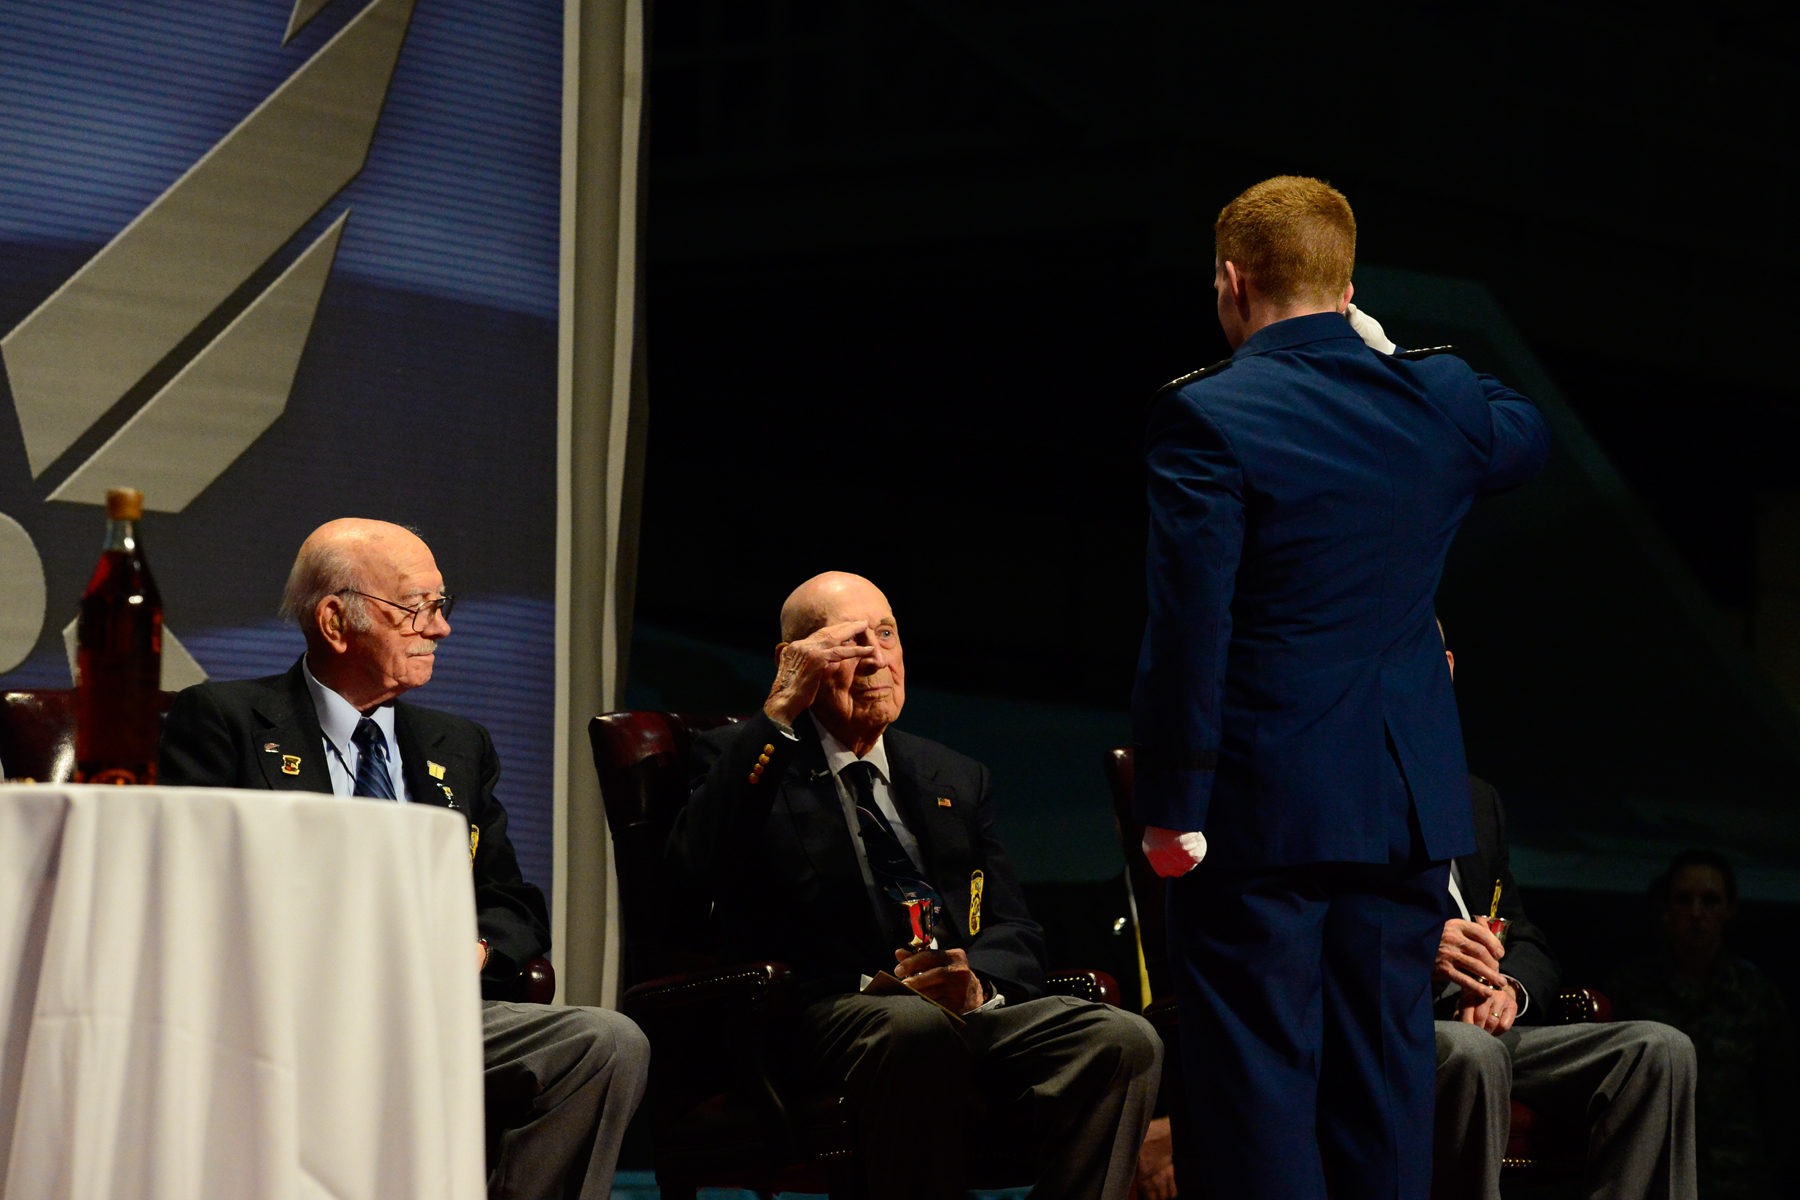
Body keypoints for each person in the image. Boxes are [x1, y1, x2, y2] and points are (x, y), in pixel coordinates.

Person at [1131, 175, 1550, 1200]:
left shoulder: (1209, 416)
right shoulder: (1439, 400)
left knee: (1261, 1095)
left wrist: (1172, 809)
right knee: (1385, 1095)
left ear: (1232, 283)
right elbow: (1524, 430)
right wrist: (1377, 345)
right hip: (1404, 811)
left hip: (1259, 816)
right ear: (1350, 285)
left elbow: (1190, 634)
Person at [159, 519, 649, 1200]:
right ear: (335, 621)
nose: (441, 629)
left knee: (606, 1043)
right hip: (288, 1017)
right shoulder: (226, 719)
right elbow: (195, 891)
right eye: (417, 609)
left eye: (440, 607)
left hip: (431, 1013)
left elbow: (511, 903)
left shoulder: (458, 745)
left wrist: (472, 951)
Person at [669, 570, 1162, 1200]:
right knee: (914, 1030)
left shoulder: (951, 774)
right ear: (795, 661)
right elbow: (690, 870)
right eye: (850, 642)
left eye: (886, 634)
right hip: (823, 1012)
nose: (877, 656)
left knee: (1123, 1039)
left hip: (956, 1011)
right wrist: (777, 714)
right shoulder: (749, 758)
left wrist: (978, 983)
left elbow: (1011, 925)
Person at [1607, 850, 1800, 1199]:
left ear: (1730, 908)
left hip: (1739, 1182)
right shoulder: (1630, 991)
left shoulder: (1758, 997)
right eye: (1684, 899)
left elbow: (1782, 1105)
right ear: (1666, 908)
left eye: (1710, 900)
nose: (1696, 914)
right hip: (1655, 1179)